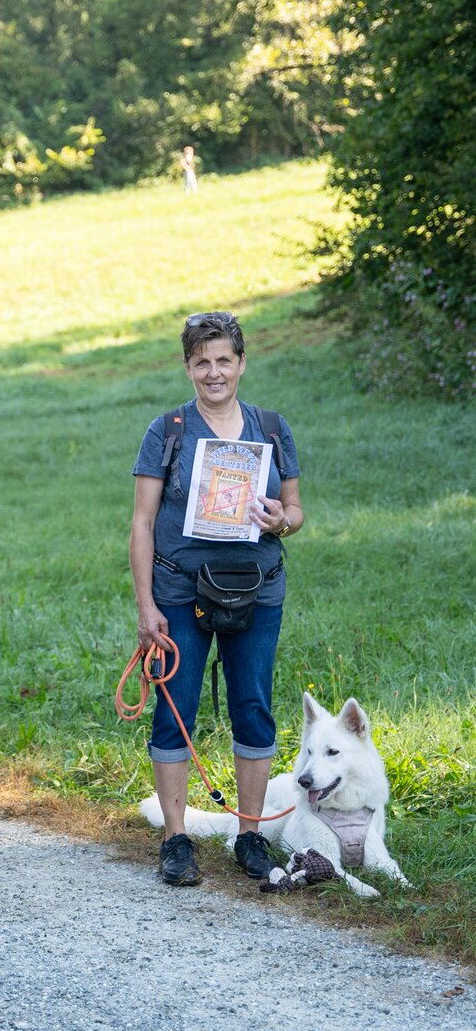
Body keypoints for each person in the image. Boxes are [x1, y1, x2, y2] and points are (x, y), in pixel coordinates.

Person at [129, 310, 303, 888]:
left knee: (253, 704)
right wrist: (146, 604)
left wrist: (282, 520)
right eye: (201, 361)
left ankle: (249, 836)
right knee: (174, 706)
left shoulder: (272, 428)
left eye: (223, 359)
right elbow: (141, 521)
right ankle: (176, 839)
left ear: (242, 363)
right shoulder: (169, 430)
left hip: (259, 589)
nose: (213, 372)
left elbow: (297, 512)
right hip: (180, 589)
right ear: (187, 367)